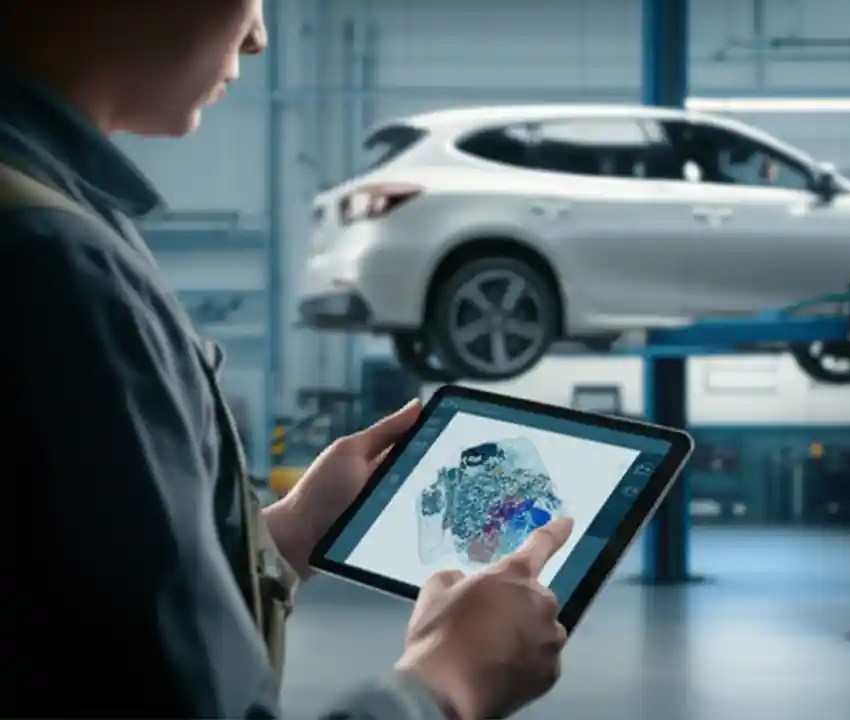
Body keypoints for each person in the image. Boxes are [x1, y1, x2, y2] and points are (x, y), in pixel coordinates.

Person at [0, 2, 571, 718]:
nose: (261, 36)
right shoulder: (54, 266)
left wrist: (289, 533)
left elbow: (61, 599)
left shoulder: (55, 208)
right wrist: (447, 682)